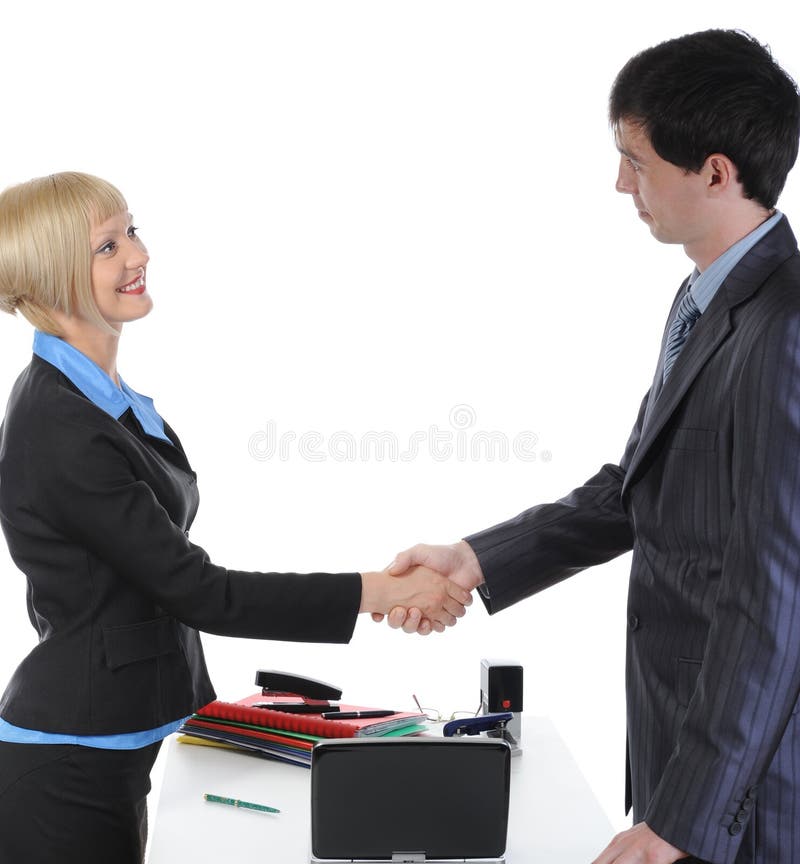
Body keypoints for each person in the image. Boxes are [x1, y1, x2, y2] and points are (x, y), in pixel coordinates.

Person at [381, 29, 800, 864]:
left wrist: (686, 817)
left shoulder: (784, 328)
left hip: (743, 792)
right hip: (680, 746)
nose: (620, 184)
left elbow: (775, 601)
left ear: (715, 172)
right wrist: (475, 558)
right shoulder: (712, 302)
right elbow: (635, 489)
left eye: (636, 162)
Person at [0, 171, 471, 864]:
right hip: (70, 764)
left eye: (131, 229)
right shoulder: (60, 421)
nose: (138, 254)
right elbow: (198, 590)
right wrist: (385, 588)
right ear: (49, 276)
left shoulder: (98, 397)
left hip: (112, 746)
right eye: (107, 246)